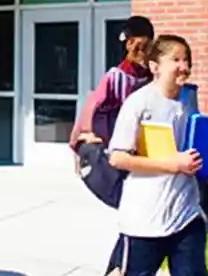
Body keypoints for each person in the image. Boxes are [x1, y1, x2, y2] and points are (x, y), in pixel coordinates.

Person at [108, 35, 208, 276]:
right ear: (155, 67)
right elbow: (117, 158)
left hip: (186, 213)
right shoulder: (139, 103)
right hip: (145, 219)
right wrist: (171, 165)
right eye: (176, 60)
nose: (184, 67)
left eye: (187, 60)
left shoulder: (189, 100)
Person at [70, 16, 155, 275]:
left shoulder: (152, 77)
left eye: (143, 45)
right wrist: (83, 140)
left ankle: (118, 267)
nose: (139, 51)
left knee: (137, 217)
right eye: (134, 45)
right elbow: (92, 108)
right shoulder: (116, 77)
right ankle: (118, 267)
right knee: (134, 216)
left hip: (146, 155)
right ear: (128, 44)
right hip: (122, 156)